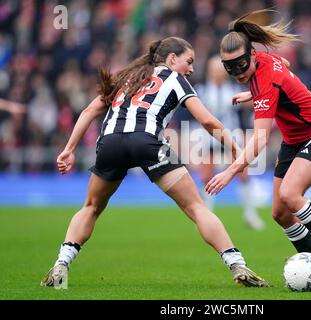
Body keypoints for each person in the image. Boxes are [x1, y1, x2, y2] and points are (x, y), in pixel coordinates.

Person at [40, 37, 268, 288]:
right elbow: (208, 122)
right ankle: (237, 264)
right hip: (148, 142)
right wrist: (235, 148)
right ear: (172, 59)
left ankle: (61, 264)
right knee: (196, 207)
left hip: (110, 143)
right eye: (188, 62)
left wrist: (69, 149)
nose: (191, 69)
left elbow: (88, 112)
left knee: (91, 207)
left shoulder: (126, 76)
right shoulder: (175, 79)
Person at [205, 10, 311, 286]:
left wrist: (229, 172)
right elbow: (281, 63)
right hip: (294, 140)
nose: (236, 72)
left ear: (251, 54)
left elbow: (259, 140)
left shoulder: (264, 78)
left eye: (240, 64)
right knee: (280, 213)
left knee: (289, 194)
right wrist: (255, 93)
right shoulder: (263, 62)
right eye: (229, 67)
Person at [194, 54, 265, 230]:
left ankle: (250, 214)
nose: (218, 73)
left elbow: (242, 115)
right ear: (209, 71)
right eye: (215, 69)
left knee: (243, 173)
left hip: (232, 134)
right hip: (208, 136)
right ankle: (207, 215)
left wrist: (244, 134)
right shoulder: (200, 90)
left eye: (221, 69)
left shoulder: (234, 89)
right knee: (206, 175)